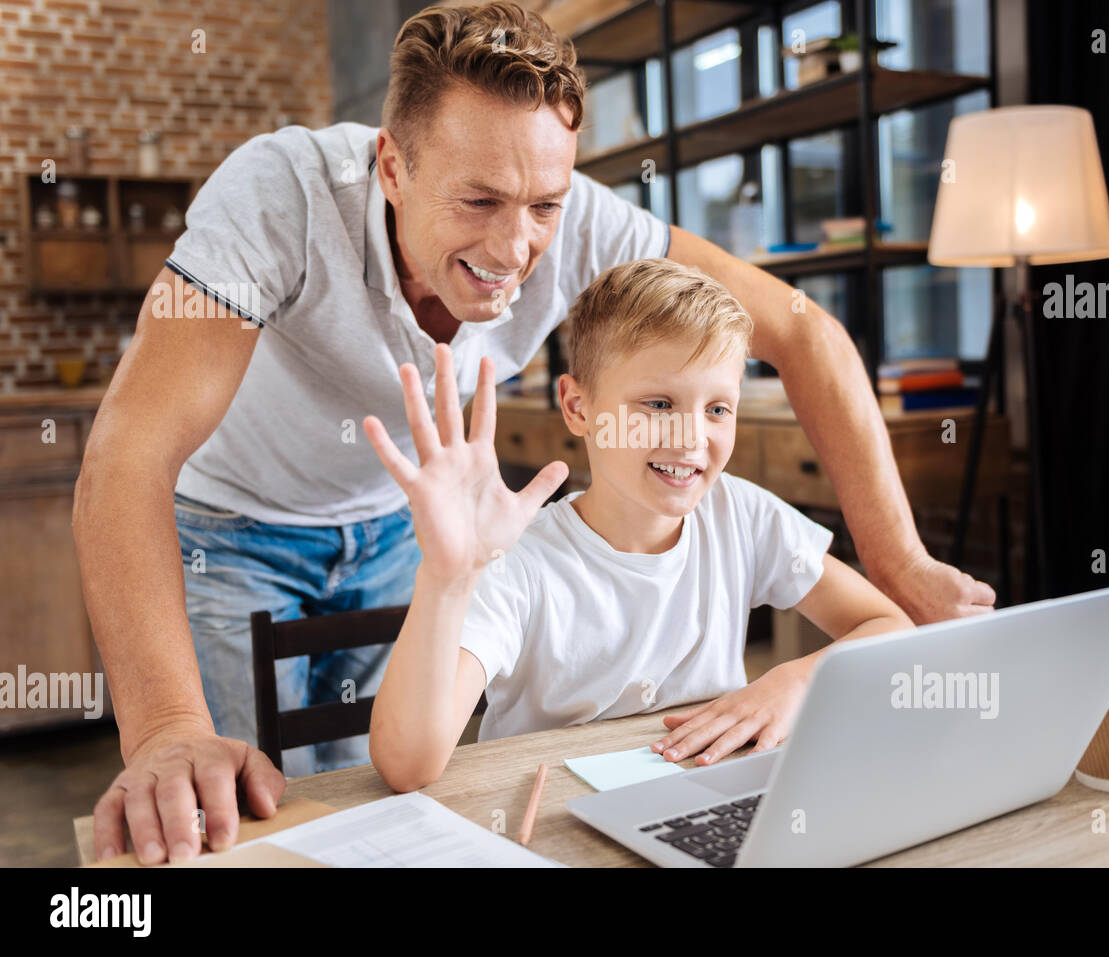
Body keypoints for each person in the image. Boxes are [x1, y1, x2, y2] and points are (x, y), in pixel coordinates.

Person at [77, 2, 993, 865]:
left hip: (400, 523)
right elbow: (127, 453)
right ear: (393, 168)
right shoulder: (280, 194)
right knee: (233, 821)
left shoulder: (586, 220)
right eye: (477, 201)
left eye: (543, 206)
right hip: (228, 531)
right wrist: (164, 728)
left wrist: (900, 564)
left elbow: (803, 328)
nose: (517, 246)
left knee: (369, 815)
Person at [366, 259, 915, 790]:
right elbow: (407, 765)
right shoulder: (519, 561)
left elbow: (889, 626)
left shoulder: (741, 514)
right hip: (558, 818)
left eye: (718, 409)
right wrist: (448, 576)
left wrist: (797, 681)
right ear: (578, 407)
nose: (691, 438)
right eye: (658, 403)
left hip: (707, 794)